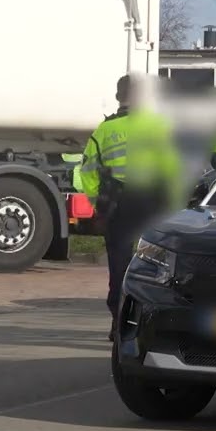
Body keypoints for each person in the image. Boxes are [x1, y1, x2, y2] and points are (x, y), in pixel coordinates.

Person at [80, 75, 184, 341]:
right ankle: (151, 323)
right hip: (151, 204)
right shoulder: (155, 126)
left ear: (118, 97)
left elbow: (88, 171)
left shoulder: (104, 130)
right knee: (156, 264)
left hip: (118, 206)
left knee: (119, 265)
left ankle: (118, 322)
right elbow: (171, 169)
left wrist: (98, 205)